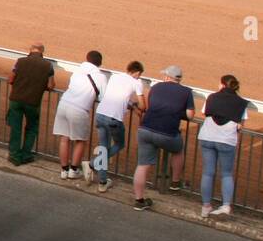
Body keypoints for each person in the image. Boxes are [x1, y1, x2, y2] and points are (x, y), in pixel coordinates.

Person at [132, 66, 195, 211]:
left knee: (142, 165)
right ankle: (174, 182)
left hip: (146, 129)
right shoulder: (186, 92)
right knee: (178, 150)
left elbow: (149, 105)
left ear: (167, 77)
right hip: (168, 134)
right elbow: (190, 115)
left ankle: (139, 200)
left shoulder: (156, 87)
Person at [198, 74, 250, 219]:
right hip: (227, 140)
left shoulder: (211, 97)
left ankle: (206, 207)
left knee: (208, 172)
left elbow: (205, 113)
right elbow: (241, 125)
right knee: (226, 173)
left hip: (207, 137)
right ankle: (226, 205)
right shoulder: (241, 102)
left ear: (222, 85)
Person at [53, 50, 105, 181]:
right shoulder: (100, 77)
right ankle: (73, 170)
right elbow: (103, 97)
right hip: (79, 109)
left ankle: (64, 170)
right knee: (80, 140)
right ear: (99, 63)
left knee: (64, 138)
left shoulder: (77, 70)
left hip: (64, 104)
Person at [95, 60, 146, 190]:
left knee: (103, 147)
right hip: (113, 119)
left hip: (100, 114)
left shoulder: (115, 77)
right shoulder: (137, 82)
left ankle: (102, 182)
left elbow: (121, 96)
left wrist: (132, 106)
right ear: (137, 73)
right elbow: (143, 105)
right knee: (119, 144)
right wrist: (135, 106)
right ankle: (93, 164)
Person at [7, 42, 56, 164]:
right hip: (33, 102)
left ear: (30, 50)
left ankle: (14, 155)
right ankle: (26, 154)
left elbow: (10, 79)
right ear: (42, 52)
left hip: (16, 100)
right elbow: (51, 85)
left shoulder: (20, 61)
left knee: (15, 128)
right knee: (32, 128)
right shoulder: (48, 65)